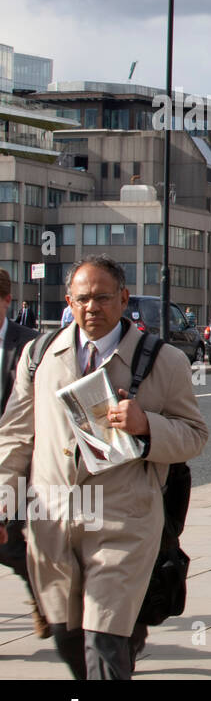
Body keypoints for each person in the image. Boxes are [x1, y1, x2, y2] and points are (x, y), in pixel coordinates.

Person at [0, 255, 208, 679]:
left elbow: (195, 434)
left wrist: (146, 425)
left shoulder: (164, 360)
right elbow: (16, 436)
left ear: (124, 298)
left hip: (123, 519)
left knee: (104, 637)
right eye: (82, 299)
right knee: (67, 636)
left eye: (102, 298)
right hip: (52, 518)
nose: (91, 307)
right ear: (68, 301)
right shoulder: (38, 356)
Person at [0, 270, 43, 638]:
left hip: (14, 462)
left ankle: (42, 598)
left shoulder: (31, 345)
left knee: (11, 544)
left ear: (7, 301)